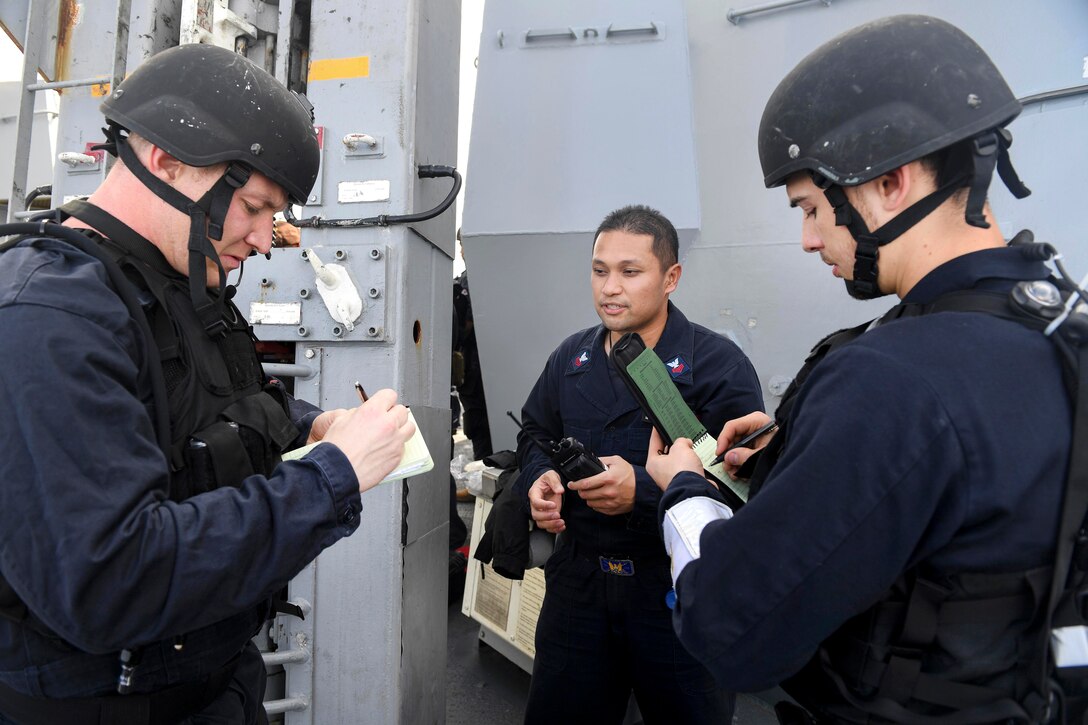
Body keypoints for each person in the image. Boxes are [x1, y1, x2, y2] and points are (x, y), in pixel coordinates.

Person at [646, 15, 1078, 723]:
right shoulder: (1063, 326)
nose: (811, 239)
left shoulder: (891, 381)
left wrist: (688, 490)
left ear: (890, 181)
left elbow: (730, 628)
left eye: (813, 207)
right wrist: (798, 455)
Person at [0, 44, 414, 724]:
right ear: (165, 158)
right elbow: (109, 582)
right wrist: (330, 476)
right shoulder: (50, 315)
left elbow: (208, 407)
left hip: (212, 685)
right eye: (254, 206)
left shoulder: (176, 283)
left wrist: (309, 427)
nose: (264, 237)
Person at [514, 204, 764, 724]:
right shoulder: (571, 359)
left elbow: (744, 492)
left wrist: (644, 494)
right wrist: (539, 478)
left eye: (630, 272)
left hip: (673, 595)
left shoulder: (718, 368)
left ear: (671, 277)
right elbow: (534, 432)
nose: (610, 288)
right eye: (600, 270)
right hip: (577, 590)